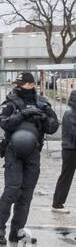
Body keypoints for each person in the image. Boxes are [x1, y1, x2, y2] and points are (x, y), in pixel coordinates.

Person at [0, 72, 59, 244]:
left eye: (21, 84)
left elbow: (53, 126)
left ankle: (17, 231)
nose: (18, 86)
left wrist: (43, 118)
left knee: (27, 194)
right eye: (17, 83)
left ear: (31, 85)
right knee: (12, 189)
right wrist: (22, 115)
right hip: (13, 151)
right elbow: (4, 122)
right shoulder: (10, 102)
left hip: (33, 152)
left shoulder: (43, 103)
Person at [55, 86, 76, 215]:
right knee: (66, 177)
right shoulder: (70, 114)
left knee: (66, 176)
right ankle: (57, 204)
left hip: (71, 148)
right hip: (71, 149)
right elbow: (74, 133)